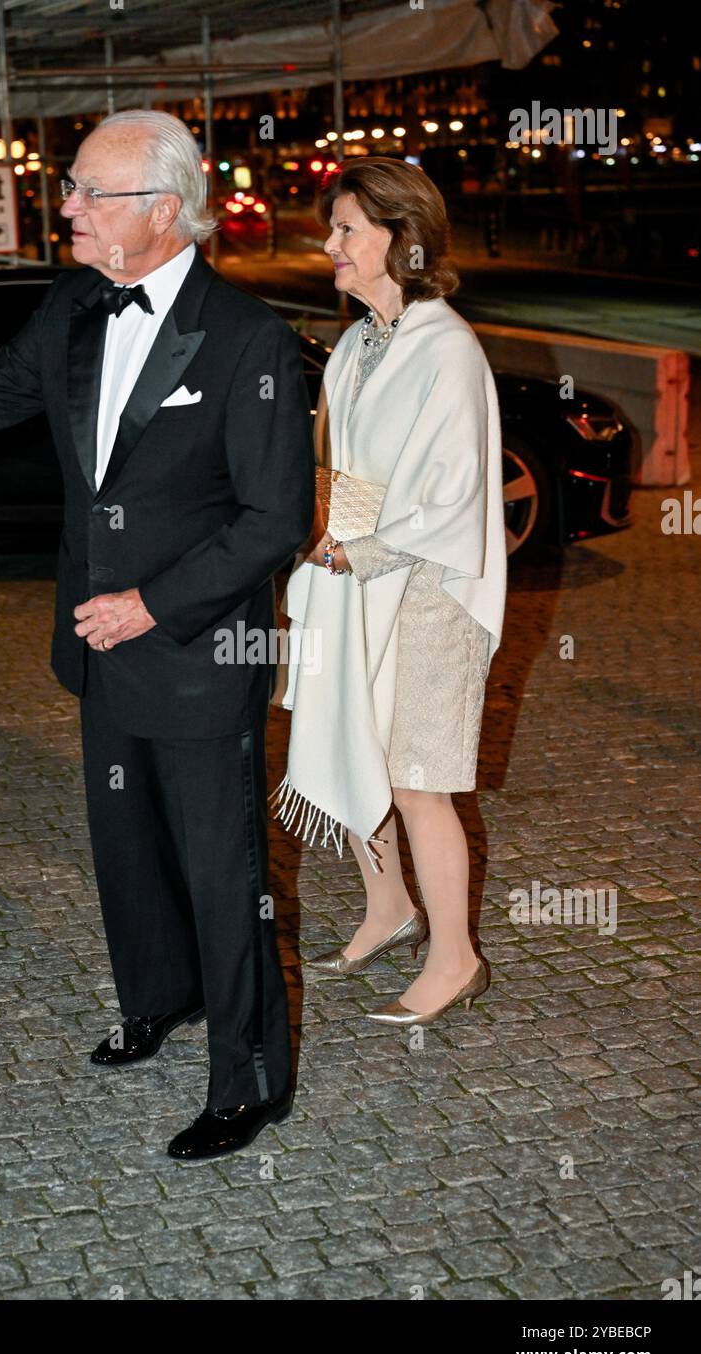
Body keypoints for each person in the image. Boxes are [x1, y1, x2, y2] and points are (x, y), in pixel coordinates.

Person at [0, 110, 316, 1159]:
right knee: (126, 851)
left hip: (194, 656)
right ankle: (156, 998)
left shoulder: (249, 341)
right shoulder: (72, 306)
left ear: (158, 209)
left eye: (88, 191)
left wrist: (153, 603)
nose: (66, 208)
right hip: (96, 649)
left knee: (222, 870)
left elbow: (274, 520)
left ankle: (247, 1078)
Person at [274, 157, 506, 1026]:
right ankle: (388, 907)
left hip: (434, 595)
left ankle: (457, 957)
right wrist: (334, 540)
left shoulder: (446, 347)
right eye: (331, 228)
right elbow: (354, 468)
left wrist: (357, 552)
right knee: (358, 745)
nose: (328, 243)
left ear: (399, 242)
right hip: (366, 581)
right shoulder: (361, 343)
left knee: (418, 778)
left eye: (345, 230)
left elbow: (452, 495)